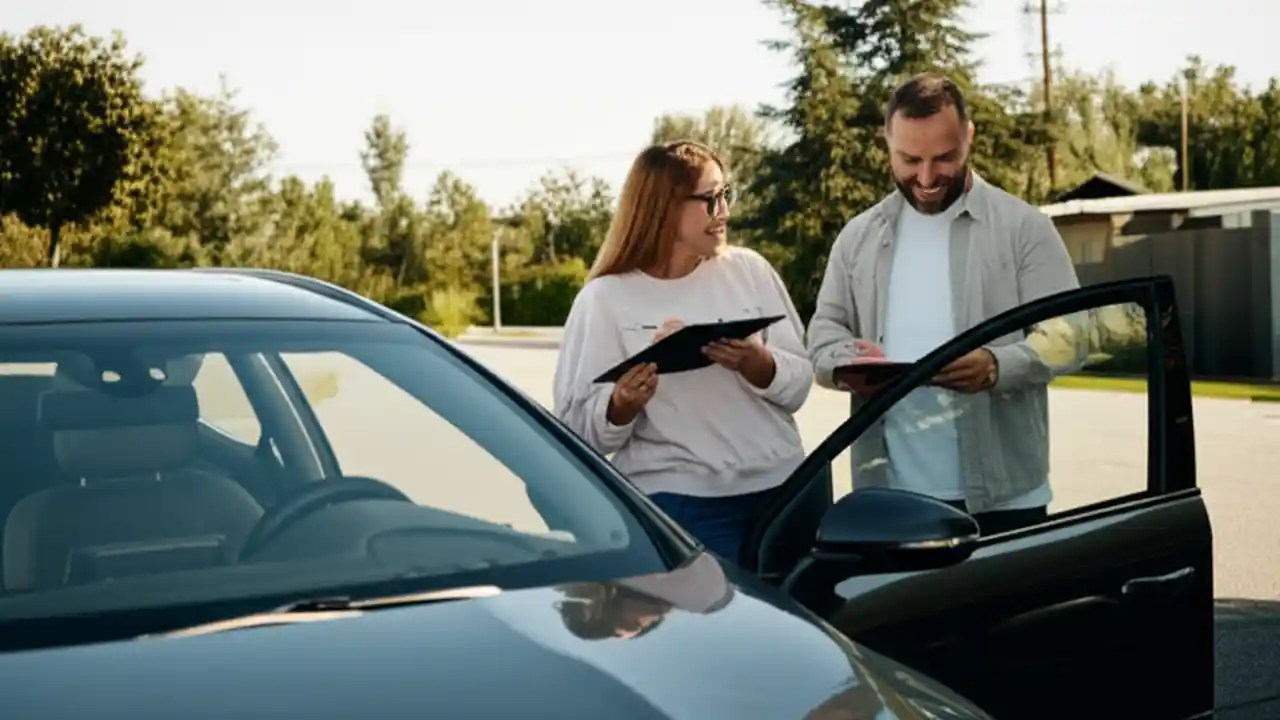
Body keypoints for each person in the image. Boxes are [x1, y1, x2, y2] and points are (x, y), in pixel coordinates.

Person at [806, 72, 1080, 535]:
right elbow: (824, 331)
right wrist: (847, 364)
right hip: (888, 498)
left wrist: (996, 366)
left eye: (945, 157)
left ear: (968, 137)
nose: (927, 177)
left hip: (1006, 500)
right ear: (887, 142)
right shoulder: (858, 237)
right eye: (910, 159)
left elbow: (1073, 335)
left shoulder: (1024, 228)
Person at [553, 140, 813, 561]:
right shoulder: (604, 299)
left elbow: (800, 384)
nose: (724, 211)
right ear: (663, 207)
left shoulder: (750, 271)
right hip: (679, 505)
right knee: (709, 626)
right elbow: (574, 430)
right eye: (710, 200)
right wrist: (621, 404)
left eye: (726, 194)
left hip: (785, 492)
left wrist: (758, 363)